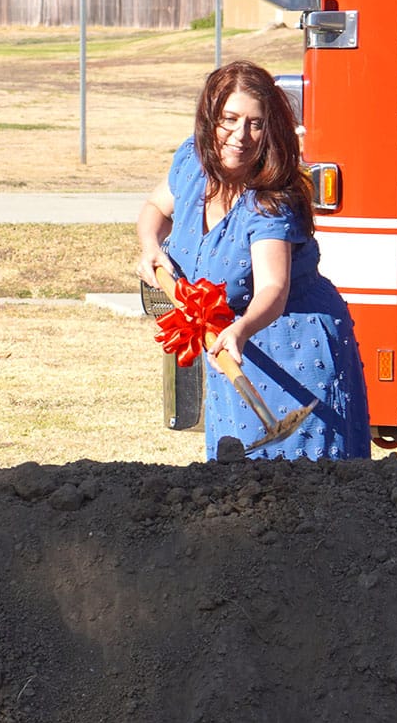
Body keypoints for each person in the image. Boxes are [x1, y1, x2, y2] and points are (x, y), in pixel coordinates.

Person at [136, 61, 369, 461]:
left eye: (255, 124)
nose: (240, 136)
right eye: (229, 119)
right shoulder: (193, 162)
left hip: (295, 349)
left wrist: (242, 329)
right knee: (241, 482)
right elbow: (157, 206)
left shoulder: (269, 202)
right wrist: (150, 247)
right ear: (210, 117)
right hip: (233, 349)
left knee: (303, 482)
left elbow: (273, 289)